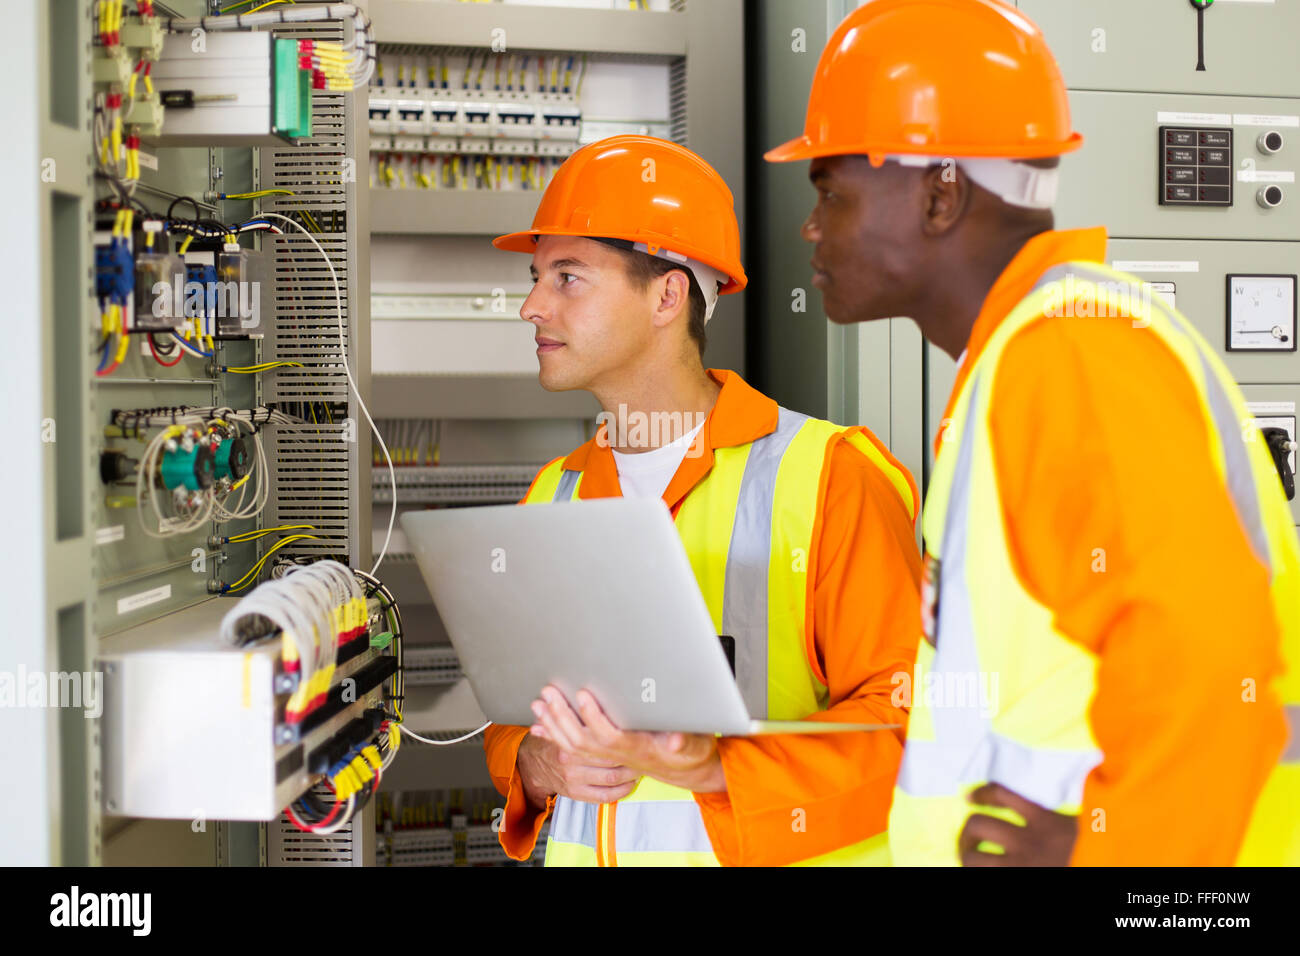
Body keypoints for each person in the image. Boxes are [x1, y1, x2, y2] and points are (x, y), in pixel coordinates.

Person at [766, 0, 1300, 865]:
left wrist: (1109, 848)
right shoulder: (1021, 360)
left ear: (940, 192)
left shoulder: (1071, 354)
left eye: (832, 192)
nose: (813, 227)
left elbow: (1212, 669)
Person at [481, 134, 924, 866]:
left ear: (667, 294)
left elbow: (910, 731)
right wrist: (534, 765)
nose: (531, 305)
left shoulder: (831, 475)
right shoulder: (552, 493)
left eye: (568, 277)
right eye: (537, 277)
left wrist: (719, 769)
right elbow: (516, 716)